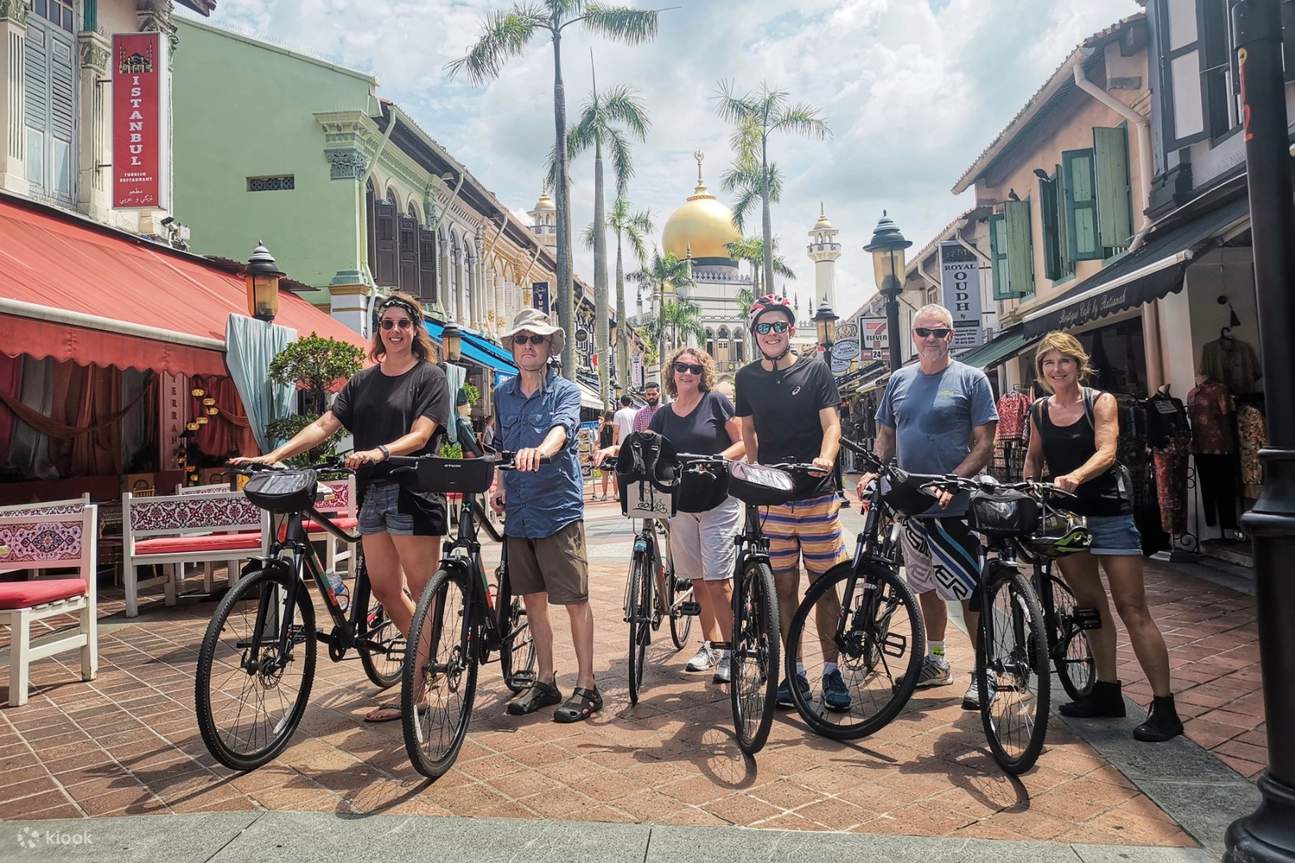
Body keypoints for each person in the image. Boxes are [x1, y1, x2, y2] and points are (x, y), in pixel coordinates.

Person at [233, 291, 448, 724]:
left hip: (413, 492)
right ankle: (422, 662)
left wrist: (381, 452)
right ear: (378, 331)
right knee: (388, 591)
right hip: (371, 493)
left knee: (423, 593)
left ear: (415, 329)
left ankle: (418, 686)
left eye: (402, 324)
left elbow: (422, 434)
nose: (394, 331)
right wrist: (275, 455)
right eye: (386, 324)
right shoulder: (363, 380)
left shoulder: (430, 377)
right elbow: (325, 424)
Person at [1024, 331, 1182, 742]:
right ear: (1041, 370)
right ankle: (1106, 690)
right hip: (1066, 520)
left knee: (1133, 608)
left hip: (1109, 514)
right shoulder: (1039, 410)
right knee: (1089, 606)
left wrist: (1076, 475)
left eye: (1064, 362)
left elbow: (1107, 450)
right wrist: (1029, 489)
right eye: (1048, 363)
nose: (1057, 370)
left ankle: (1164, 706)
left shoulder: (1099, 401)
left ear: (1079, 364)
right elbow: (1033, 457)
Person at [858, 304, 998, 709]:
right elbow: (886, 433)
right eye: (924, 332)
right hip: (912, 505)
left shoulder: (972, 380)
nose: (932, 339)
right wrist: (874, 469)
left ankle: (984, 669)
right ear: (914, 336)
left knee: (969, 591)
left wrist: (955, 479)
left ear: (951, 336)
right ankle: (936, 662)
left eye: (940, 332)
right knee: (927, 587)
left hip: (955, 506)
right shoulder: (899, 380)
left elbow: (986, 443)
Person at [596, 347, 745, 682]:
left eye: (694, 368)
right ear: (672, 372)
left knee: (718, 581)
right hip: (680, 505)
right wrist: (613, 448)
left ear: (702, 372)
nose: (687, 373)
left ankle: (732, 650)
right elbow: (644, 445)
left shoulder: (716, 403)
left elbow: (745, 442)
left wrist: (719, 458)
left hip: (719, 500)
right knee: (698, 580)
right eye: (681, 367)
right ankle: (710, 644)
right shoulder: (662, 414)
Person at [735, 294, 851, 711]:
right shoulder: (746, 378)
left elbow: (832, 423)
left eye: (779, 326)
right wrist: (752, 471)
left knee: (824, 585)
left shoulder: (815, 369)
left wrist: (827, 458)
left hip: (815, 493)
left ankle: (832, 671)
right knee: (783, 587)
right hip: (774, 499)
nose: (772, 333)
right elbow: (748, 431)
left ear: (789, 330)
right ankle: (795, 671)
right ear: (755, 334)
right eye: (764, 327)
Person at [489, 308, 601, 723]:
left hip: (557, 508)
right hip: (518, 510)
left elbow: (562, 429)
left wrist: (543, 449)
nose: (528, 346)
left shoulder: (565, 392)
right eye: (521, 340)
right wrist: (499, 487)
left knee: (574, 600)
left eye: (536, 339)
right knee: (532, 600)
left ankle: (587, 685)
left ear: (550, 348)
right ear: (514, 348)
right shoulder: (502, 393)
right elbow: (501, 443)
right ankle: (546, 679)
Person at [596, 410, 616, 501]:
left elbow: (598, 441)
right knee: (615, 474)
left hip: (603, 452)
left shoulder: (601, 426)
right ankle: (616, 494)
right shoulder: (614, 425)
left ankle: (604, 495)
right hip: (613, 452)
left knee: (605, 475)